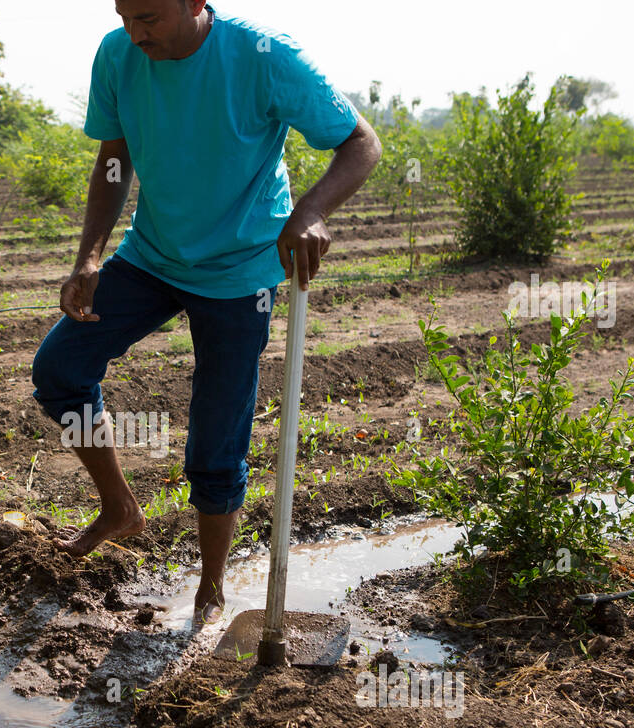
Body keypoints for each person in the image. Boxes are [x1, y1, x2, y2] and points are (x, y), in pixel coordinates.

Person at [31, 0, 381, 625]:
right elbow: (115, 159)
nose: (136, 34)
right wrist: (89, 256)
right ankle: (119, 510)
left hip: (240, 270)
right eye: (124, 17)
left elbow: (361, 143)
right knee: (60, 368)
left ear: (196, 2)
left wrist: (309, 212)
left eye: (149, 18)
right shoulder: (119, 54)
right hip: (152, 254)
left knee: (216, 438)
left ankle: (211, 586)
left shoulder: (266, 57)